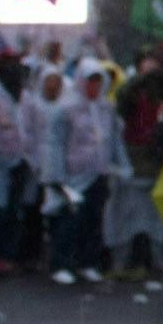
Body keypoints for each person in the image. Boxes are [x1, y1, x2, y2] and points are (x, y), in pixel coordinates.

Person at [43, 60, 119, 282]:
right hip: (72, 174)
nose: (94, 88)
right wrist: (56, 174)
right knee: (69, 219)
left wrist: (119, 164)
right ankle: (61, 263)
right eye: (90, 82)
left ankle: (88, 261)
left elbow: (113, 140)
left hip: (99, 172)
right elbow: (55, 143)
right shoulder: (66, 109)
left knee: (94, 219)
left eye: (98, 82)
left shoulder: (106, 109)